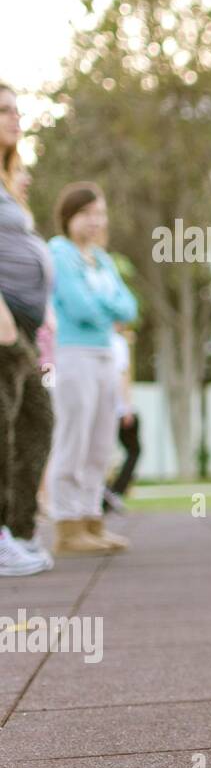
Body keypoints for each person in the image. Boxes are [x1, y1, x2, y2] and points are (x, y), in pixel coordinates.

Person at [48, 182, 137, 555]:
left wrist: (103, 304)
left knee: (101, 442)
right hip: (73, 354)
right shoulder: (59, 252)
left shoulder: (102, 259)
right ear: (69, 216)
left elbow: (129, 307)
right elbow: (79, 306)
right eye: (86, 214)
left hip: (104, 356)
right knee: (74, 437)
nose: (94, 222)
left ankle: (90, 518)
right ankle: (67, 526)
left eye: (99, 214)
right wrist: (107, 305)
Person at [0, 83, 55, 575]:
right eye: (3, 111)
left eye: (17, 109)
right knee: (2, 423)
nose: (15, 119)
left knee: (37, 419)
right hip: (2, 319)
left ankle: (16, 531)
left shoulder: (6, 179)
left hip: (22, 322)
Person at [103, 323, 139, 514]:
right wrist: (126, 407)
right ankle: (112, 492)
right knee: (133, 450)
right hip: (115, 408)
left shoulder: (102, 339)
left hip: (102, 406)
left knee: (102, 452)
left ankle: (105, 493)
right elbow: (121, 375)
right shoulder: (117, 342)